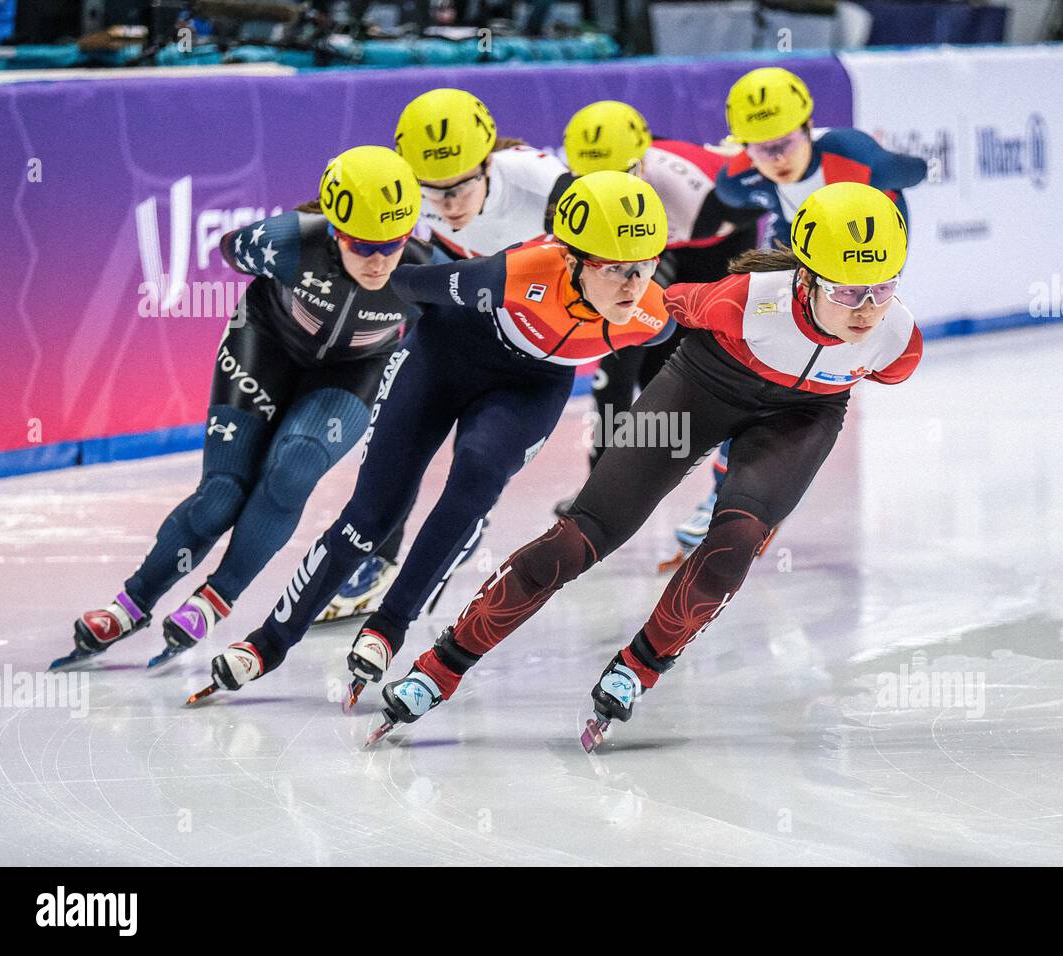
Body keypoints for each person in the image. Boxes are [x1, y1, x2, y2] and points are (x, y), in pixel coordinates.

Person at [364, 182, 924, 750]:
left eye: (883, 290)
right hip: (702, 389)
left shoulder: (897, 343)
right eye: (848, 293)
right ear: (804, 280)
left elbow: (868, 367)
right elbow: (652, 309)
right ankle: (441, 667)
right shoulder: (743, 299)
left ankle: (641, 666)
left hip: (803, 416)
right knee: (580, 538)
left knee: (735, 546)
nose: (868, 310)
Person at [185, 171, 675, 705]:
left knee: (477, 480)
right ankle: (269, 641)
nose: (634, 285)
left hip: (529, 388)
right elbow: (405, 284)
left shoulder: (655, 314)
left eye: (644, 266)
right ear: (573, 257)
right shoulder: (515, 272)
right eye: (618, 270)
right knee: (373, 512)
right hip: (441, 361)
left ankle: (390, 625)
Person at [52, 146, 428, 670]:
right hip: (266, 346)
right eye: (365, 246)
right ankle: (131, 603)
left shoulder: (427, 272)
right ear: (336, 229)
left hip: (352, 374)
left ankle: (217, 596)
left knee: (292, 468)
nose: (380, 261)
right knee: (220, 496)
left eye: (393, 244)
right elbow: (233, 251)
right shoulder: (290, 241)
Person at [321, 87, 575, 622]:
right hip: (462, 290)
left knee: (480, 455)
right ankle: (379, 554)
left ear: (487, 163)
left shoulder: (546, 187)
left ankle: (449, 537)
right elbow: (335, 223)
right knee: (403, 439)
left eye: (460, 189)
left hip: (531, 306)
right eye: (432, 194)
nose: (449, 207)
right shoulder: (404, 185)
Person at [666, 66, 930, 559]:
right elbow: (729, 193)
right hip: (804, 257)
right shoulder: (743, 176)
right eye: (760, 148)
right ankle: (726, 491)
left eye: (784, 142)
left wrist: (889, 171)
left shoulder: (851, 154)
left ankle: (751, 490)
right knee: (754, 361)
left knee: (799, 374)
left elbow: (914, 169)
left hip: (862, 271)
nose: (776, 158)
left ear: (808, 126)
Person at [551, 100, 761, 528]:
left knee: (707, 367)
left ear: (643, 162)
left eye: (618, 176)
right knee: (617, 348)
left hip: (713, 248)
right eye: (589, 180)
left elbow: (784, 188)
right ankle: (601, 484)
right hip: (646, 247)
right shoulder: (570, 199)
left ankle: (739, 487)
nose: (604, 191)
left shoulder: (708, 192)